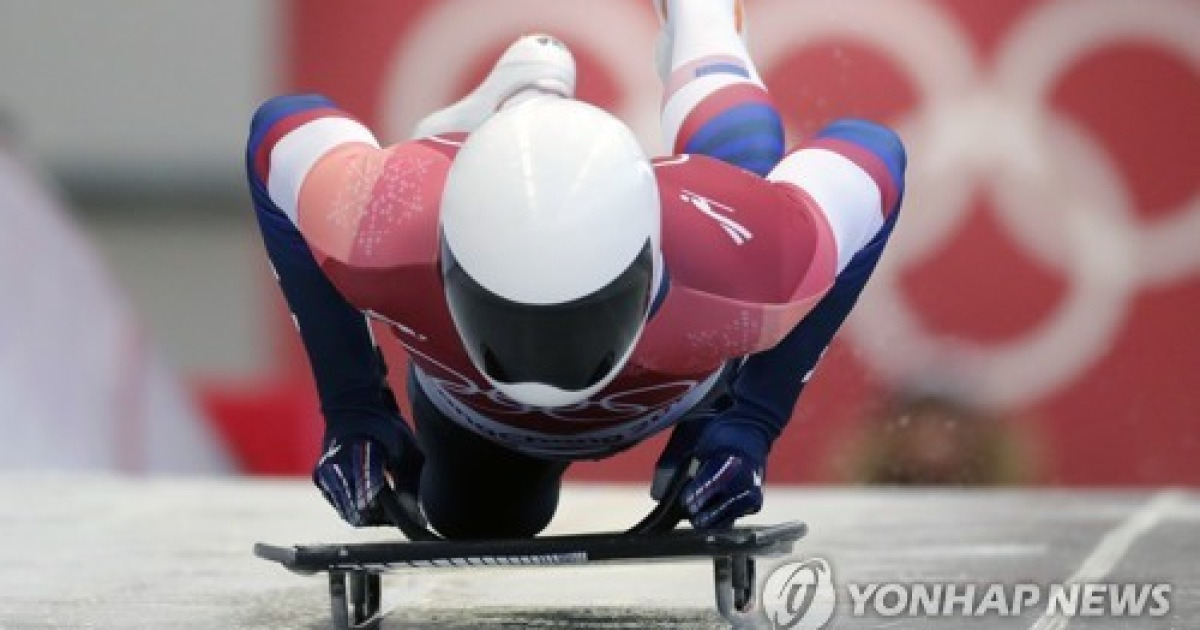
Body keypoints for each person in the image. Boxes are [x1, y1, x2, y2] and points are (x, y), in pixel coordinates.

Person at [245, 0, 905, 539]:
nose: (549, 368)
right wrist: (353, 409)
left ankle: (705, 32)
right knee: (478, 523)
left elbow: (878, 156)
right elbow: (275, 132)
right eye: (512, 321)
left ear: (646, 268)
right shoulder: (381, 225)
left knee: (751, 198)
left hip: (649, 360)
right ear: (447, 263)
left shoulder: (735, 263)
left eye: (578, 322)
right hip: (501, 403)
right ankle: (523, 103)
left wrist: (750, 420)